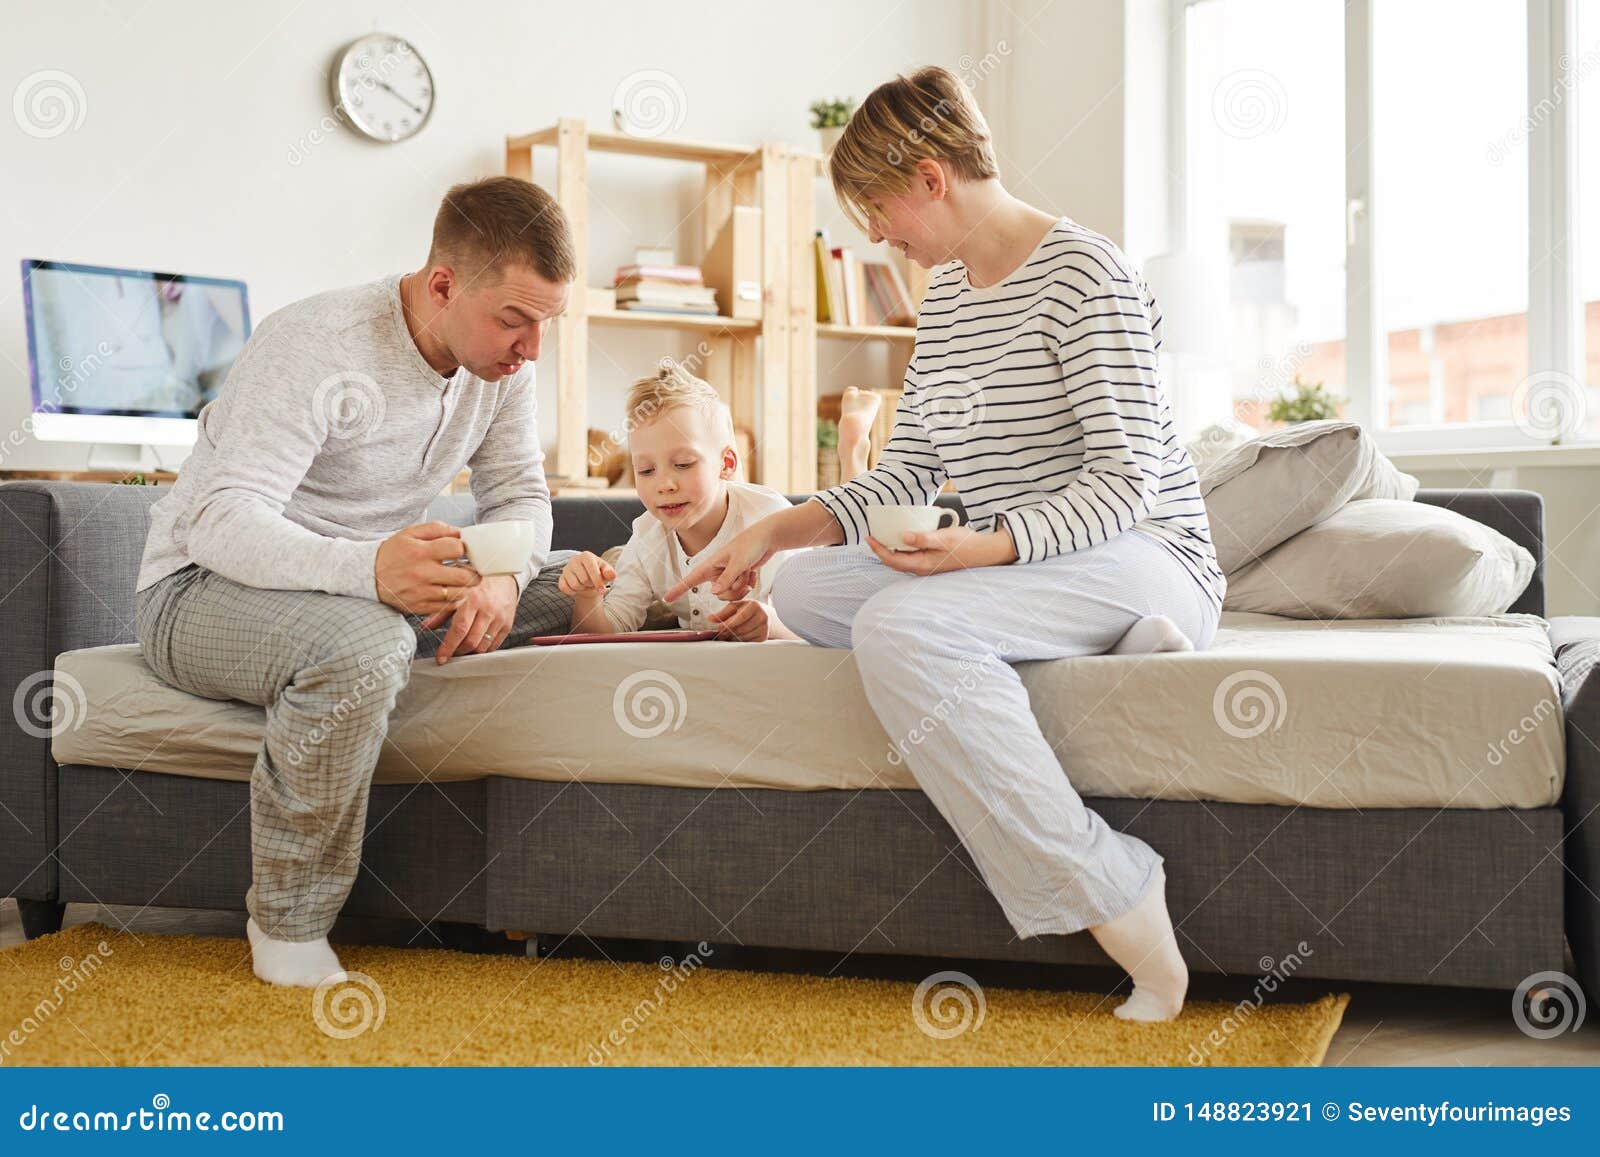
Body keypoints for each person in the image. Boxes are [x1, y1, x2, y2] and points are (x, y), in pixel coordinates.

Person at [668, 67, 1225, 1021]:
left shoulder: (1091, 274)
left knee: (903, 631)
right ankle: (1070, 633)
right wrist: (780, 528)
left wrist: (985, 549)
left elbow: (1128, 482)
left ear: (930, 177)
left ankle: (1122, 896)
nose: (878, 235)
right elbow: (911, 471)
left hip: (1149, 556)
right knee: (805, 593)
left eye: (878, 208)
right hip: (1031, 561)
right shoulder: (955, 299)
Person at [135, 176, 580, 988]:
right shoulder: (315, 342)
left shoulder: (506, 365)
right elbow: (222, 520)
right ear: (443, 284)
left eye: (546, 323)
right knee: (371, 642)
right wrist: (369, 571)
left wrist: (503, 578)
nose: (531, 350)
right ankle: (290, 925)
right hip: (201, 587)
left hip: (367, 584)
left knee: (584, 582)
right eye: (515, 320)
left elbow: (518, 494)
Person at [559, 363, 799, 641]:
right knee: (615, 560)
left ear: (726, 464)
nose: (664, 485)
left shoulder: (770, 519)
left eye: (683, 464)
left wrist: (771, 623)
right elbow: (606, 632)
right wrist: (589, 596)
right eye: (646, 471)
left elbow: (821, 623)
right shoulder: (647, 536)